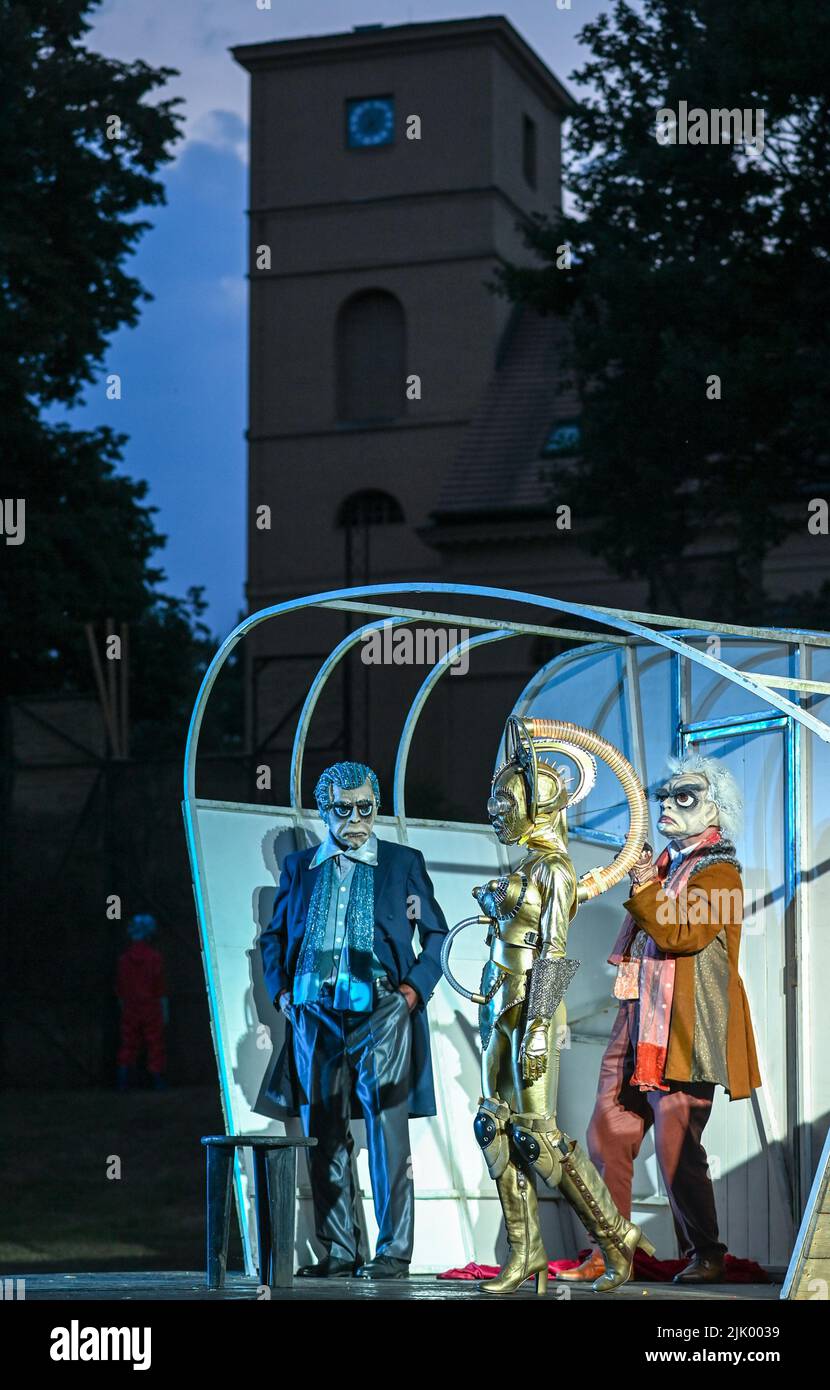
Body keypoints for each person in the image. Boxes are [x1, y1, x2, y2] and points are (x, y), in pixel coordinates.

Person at [453, 716, 656, 1295]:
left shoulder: (555, 869)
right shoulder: (524, 866)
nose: (495, 811)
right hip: (502, 1008)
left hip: (533, 1012)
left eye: (504, 802)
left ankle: (617, 1236)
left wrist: (539, 1019)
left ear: (537, 806)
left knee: (538, 1135)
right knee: (493, 1124)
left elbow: (554, 953)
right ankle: (527, 1254)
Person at [559, 753, 761, 1287]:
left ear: (713, 807)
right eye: (665, 796)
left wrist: (646, 885)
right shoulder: (668, 868)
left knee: (677, 1151)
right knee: (607, 1135)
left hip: (685, 1029)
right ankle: (609, 1249)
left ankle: (706, 1252)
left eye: (685, 797)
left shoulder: (720, 873)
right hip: (638, 1021)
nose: (669, 805)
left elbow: (680, 934)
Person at [259, 760, 448, 1280]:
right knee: (325, 1132)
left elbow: (436, 932)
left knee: (388, 1131)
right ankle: (340, 1250)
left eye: (367, 808)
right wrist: (282, 996)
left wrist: (412, 991)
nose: (357, 819)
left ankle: (393, 1252)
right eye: (345, 810)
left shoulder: (401, 861)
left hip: (381, 1006)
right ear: (326, 811)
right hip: (315, 1011)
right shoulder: (301, 867)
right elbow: (273, 937)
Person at [116, 913, 169, 1091]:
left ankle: (123, 1083)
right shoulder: (154, 958)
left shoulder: (124, 960)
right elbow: (159, 985)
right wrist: (163, 1009)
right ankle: (158, 1083)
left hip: (130, 1006)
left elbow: (121, 988)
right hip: (151, 1006)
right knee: (155, 1045)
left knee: (128, 1044)